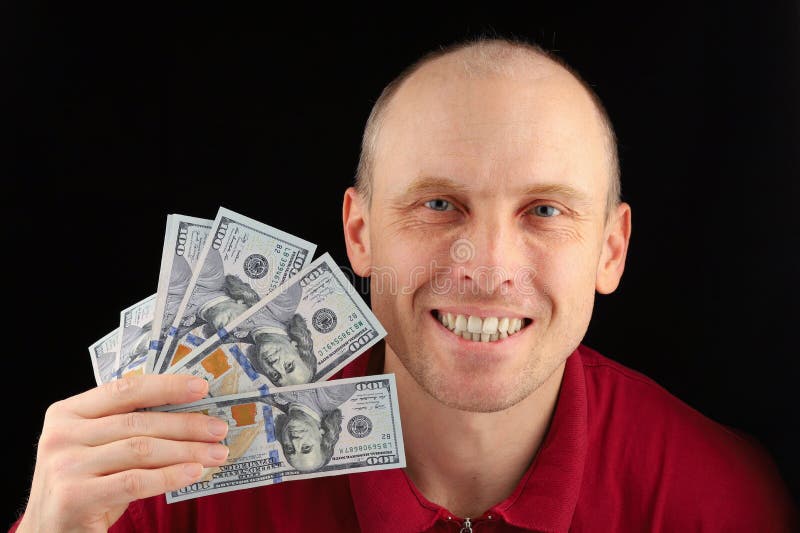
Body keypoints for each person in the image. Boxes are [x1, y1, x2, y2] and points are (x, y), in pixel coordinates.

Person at [11, 37, 798, 533]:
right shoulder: (172, 476)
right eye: (437, 203)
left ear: (611, 249)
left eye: (545, 210)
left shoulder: (720, 501)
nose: (486, 267)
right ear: (359, 232)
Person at [269, 383, 356, 472]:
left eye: (289, 448)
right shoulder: (334, 393)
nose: (295, 441)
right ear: (323, 435)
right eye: (306, 447)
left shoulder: (272, 399)